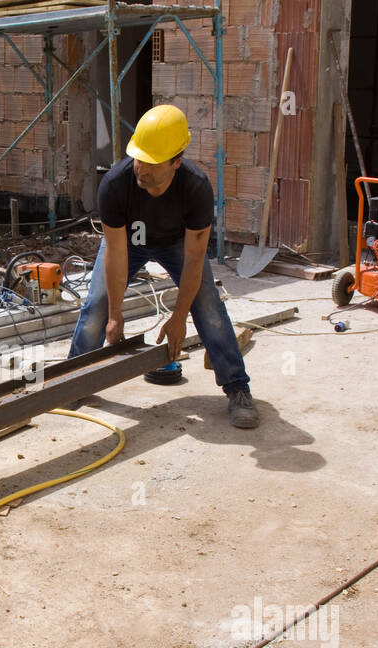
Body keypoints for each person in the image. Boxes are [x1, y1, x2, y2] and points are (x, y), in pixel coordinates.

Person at [67, 104, 258, 428]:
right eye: (138, 158)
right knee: (97, 305)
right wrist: (115, 315)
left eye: (152, 162)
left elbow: (195, 259)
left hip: (177, 245)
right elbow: (115, 252)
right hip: (129, 242)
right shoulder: (115, 185)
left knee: (208, 306)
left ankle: (237, 387)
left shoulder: (196, 189)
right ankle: (72, 381)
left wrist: (179, 317)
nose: (141, 168)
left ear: (176, 162)